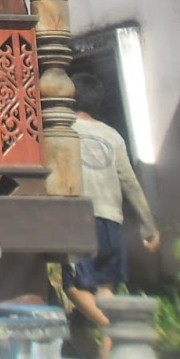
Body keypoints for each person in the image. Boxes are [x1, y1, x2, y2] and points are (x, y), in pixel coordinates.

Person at [63, 73, 160, 342]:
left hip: (77, 219)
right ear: (99, 103)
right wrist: (149, 226)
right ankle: (116, 335)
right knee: (106, 294)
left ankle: (118, 332)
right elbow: (129, 182)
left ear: (68, 98)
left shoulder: (62, 129)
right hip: (111, 221)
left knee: (72, 287)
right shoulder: (112, 135)